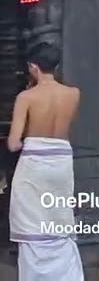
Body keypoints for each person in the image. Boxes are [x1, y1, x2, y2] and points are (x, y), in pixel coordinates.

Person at [7, 42, 84, 280]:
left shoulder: (26, 97)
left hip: (34, 163)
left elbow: (13, 143)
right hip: (61, 161)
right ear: (56, 66)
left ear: (33, 66)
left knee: (31, 224)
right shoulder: (73, 94)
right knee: (59, 221)